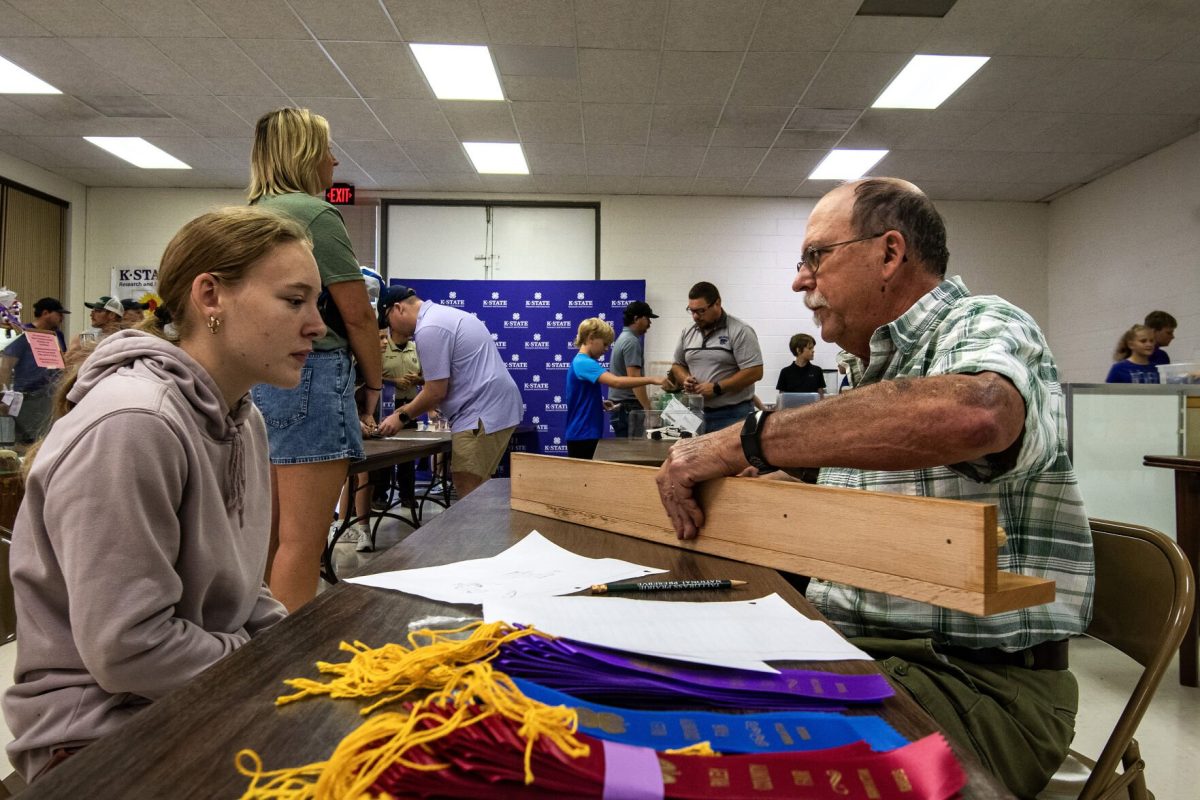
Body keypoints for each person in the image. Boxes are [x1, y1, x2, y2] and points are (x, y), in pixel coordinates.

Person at [655, 178, 1094, 798]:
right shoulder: (868, 367)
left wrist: (741, 441)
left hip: (973, 683)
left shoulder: (985, 324)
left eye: (815, 257)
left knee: (727, 770)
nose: (800, 281)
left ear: (889, 254)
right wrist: (786, 480)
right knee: (663, 699)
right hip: (859, 649)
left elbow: (980, 414)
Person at [2, 206, 314, 782]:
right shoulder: (132, 424)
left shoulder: (244, 419)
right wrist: (267, 668)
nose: (317, 324)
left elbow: (242, 595)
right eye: (295, 301)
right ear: (210, 296)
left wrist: (303, 656)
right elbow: (131, 648)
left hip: (195, 696)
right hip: (101, 737)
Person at [247, 107, 383, 612]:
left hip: (256, 381)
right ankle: (284, 663)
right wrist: (373, 384)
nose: (333, 160)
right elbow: (358, 315)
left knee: (261, 538)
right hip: (310, 374)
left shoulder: (248, 215)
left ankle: (246, 655)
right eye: (326, 149)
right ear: (306, 155)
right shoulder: (315, 215)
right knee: (303, 541)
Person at [377, 285, 521, 498]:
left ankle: (478, 533)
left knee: (467, 483)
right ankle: (485, 531)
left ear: (398, 308)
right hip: (490, 407)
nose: (391, 331)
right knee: (478, 484)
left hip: (480, 412)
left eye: (388, 322)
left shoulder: (428, 328)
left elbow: (435, 391)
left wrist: (401, 416)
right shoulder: (442, 316)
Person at [666, 281, 763, 432]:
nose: (695, 317)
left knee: (732, 456)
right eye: (691, 311)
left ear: (717, 303)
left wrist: (718, 388)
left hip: (733, 414)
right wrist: (685, 379)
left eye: (701, 311)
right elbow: (677, 364)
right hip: (695, 414)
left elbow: (755, 371)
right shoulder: (688, 332)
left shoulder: (740, 331)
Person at [566, 317, 665, 460]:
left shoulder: (580, 362)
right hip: (583, 435)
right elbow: (616, 382)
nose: (606, 349)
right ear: (591, 338)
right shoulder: (584, 363)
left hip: (583, 434)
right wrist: (652, 379)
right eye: (605, 344)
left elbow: (577, 395)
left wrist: (597, 404)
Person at [0, 297, 68, 443]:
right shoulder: (25, 334)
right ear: (46, 313)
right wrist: (6, 397)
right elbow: (6, 367)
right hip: (28, 400)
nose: (61, 318)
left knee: (50, 441)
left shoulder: (57, 336)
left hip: (51, 398)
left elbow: (63, 362)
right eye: (59, 314)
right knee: (28, 442)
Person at [609, 301, 658, 438]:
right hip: (628, 408)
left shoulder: (624, 338)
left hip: (623, 407)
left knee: (626, 452)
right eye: (647, 318)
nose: (650, 323)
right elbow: (635, 380)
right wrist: (648, 409)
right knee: (630, 454)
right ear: (636, 318)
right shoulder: (631, 341)